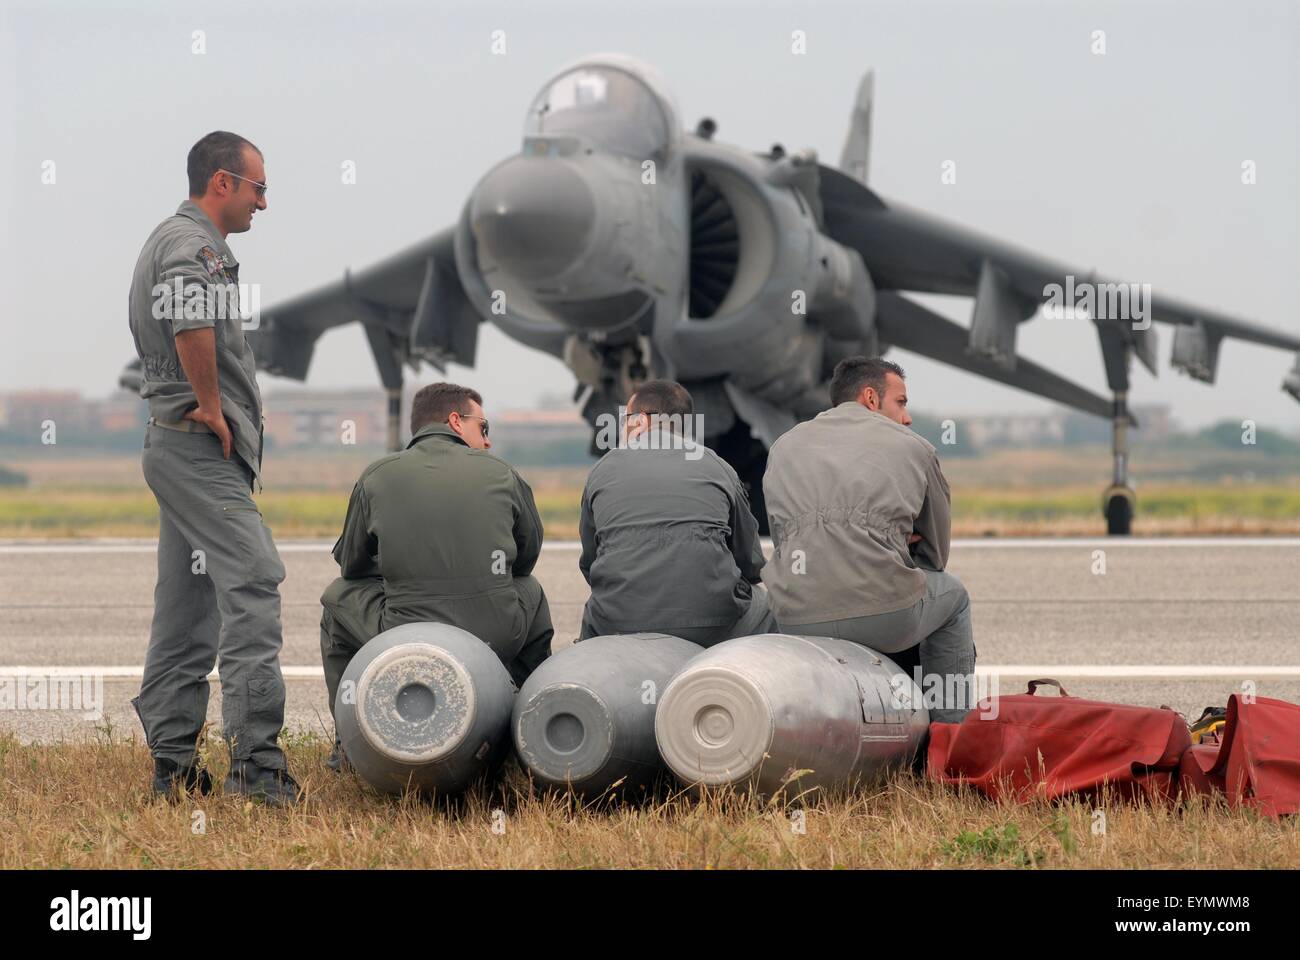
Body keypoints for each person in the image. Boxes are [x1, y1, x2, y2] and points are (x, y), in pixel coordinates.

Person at [127, 131, 299, 804]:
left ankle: (173, 769)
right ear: (222, 183)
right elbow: (189, 322)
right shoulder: (191, 246)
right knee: (254, 582)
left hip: (181, 449)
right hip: (197, 450)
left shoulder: (182, 241)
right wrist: (211, 405)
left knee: (186, 606)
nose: (264, 203)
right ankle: (258, 771)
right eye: (259, 188)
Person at [320, 382, 554, 767]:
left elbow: (352, 566)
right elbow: (526, 559)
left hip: (403, 631)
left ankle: (351, 744)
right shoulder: (503, 473)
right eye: (484, 428)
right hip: (496, 631)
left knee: (337, 598)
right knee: (531, 590)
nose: (488, 441)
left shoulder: (377, 475)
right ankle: (523, 743)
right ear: (455, 421)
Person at [762, 357, 975, 723]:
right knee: (953, 596)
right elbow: (936, 556)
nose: (907, 417)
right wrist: (894, 543)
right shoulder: (915, 447)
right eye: (902, 402)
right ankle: (950, 735)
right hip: (886, 618)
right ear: (871, 398)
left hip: (795, 619)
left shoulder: (783, 446)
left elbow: (784, 541)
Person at [578, 379, 775, 645]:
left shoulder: (602, 471)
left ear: (640, 422)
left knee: (593, 612)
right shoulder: (718, 467)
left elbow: (590, 565)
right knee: (766, 604)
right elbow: (750, 563)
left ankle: (589, 675)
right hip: (712, 623)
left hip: (619, 621)